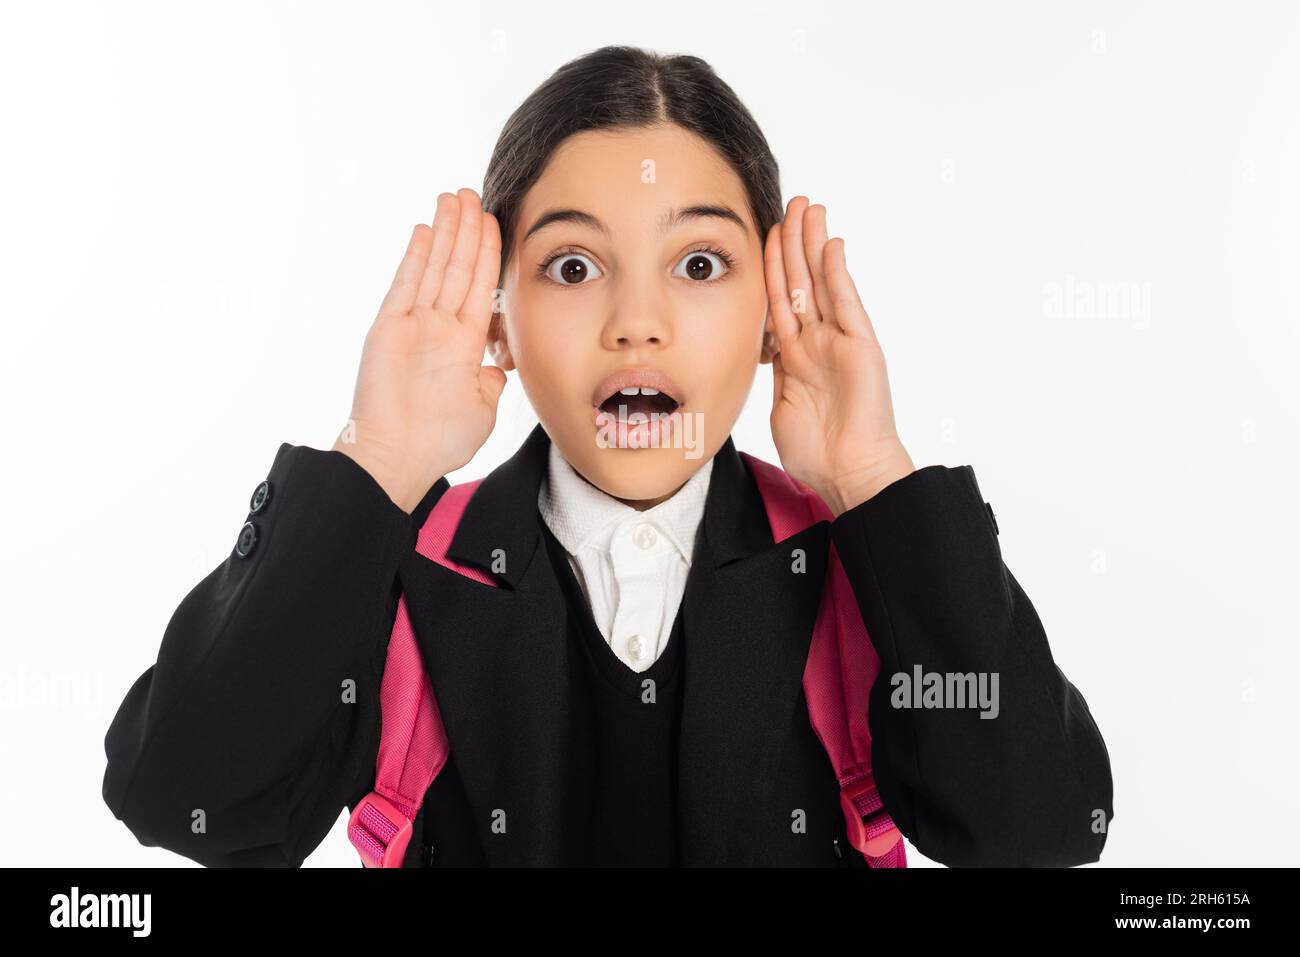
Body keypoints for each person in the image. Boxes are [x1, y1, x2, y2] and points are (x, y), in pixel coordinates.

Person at [102, 45, 1113, 867]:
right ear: (497, 317)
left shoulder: (864, 571)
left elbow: (1039, 827)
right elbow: (188, 797)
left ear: (771, 313)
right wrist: (379, 463)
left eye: (701, 265)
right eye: (573, 266)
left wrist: (874, 477)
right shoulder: (400, 566)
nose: (638, 322)